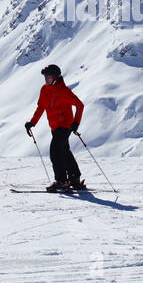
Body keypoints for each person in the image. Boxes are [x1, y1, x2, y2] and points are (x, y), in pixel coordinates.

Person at [26, 63, 86, 192]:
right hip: (54, 127)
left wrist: (76, 123)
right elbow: (41, 107)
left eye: (49, 77)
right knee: (64, 150)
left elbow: (80, 105)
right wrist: (32, 123)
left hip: (65, 126)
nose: (46, 79)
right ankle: (74, 178)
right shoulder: (44, 89)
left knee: (55, 151)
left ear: (56, 78)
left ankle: (61, 181)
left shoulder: (64, 91)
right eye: (45, 77)